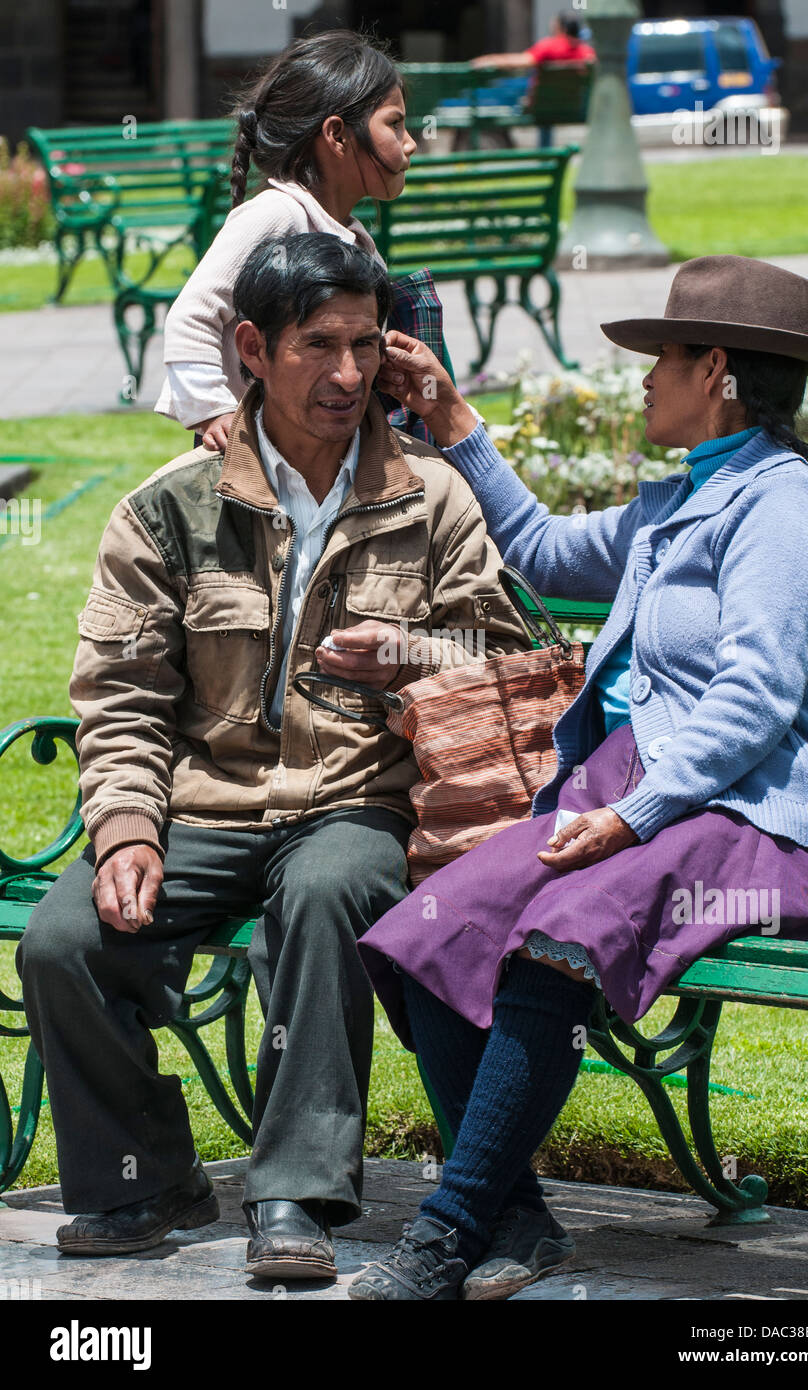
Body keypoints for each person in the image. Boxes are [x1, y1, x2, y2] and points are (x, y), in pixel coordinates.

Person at [348, 254, 808, 1300]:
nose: (639, 379)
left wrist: (630, 816)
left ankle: (446, 1231)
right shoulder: (676, 501)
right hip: (639, 802)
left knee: (557, 946)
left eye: (660, 359)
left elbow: (757, 699)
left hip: (753, 821)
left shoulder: (780, 511)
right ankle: (519, 1217)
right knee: (420, 935)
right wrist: (452, 418)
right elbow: (538, 549)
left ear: (714, 370)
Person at [16, 233, 528, 1284]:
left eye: (361, 344)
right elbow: (120, 691)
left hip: (354, 800)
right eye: (315, 345)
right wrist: (123, 828)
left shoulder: (430, 498)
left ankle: (294, 1192)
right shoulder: (168, 506)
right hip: (206, 804)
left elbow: (501, 660)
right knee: (63, 941)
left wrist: (409, 657)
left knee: (331, 893)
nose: (346, 374)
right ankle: (143, 1178)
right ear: (252, 347)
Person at [153, 28, 445, 452]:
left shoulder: (356, 241)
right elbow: (191, 316)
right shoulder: (276, 214)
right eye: (395, 124)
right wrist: (213, 410)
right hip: (250, 456)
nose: (410, 144)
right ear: (337, 135)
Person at [471, 14, 596, 70]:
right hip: (574, 108)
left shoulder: (550, 46)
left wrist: (489, 60)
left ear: (562, 29)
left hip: (543, 106)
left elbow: (519, 62)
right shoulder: (586, 52)